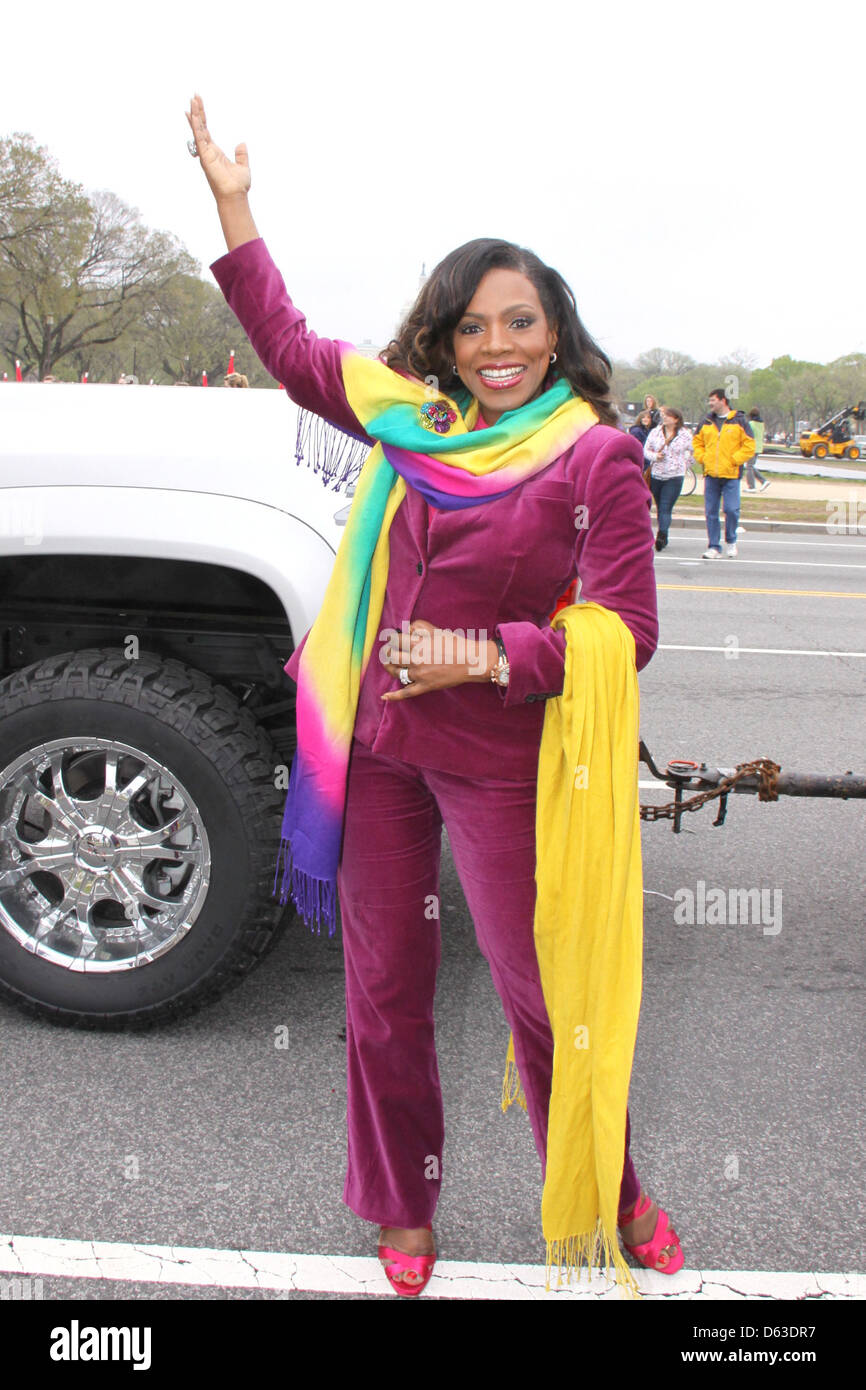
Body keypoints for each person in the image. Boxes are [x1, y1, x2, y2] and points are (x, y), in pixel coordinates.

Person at [187, 93, 682, 1297]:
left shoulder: (593, 456)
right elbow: (297, 351)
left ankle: (606, 1192)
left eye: (520, 322)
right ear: (446, 339)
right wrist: (236, 207)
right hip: (376, 750)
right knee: (384, 991)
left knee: (541, 997)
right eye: (473, 326)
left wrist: (486, 652)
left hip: (502, 757)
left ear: (553, 332)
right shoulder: (419, 422)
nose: (496, 344)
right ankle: (400, 1203)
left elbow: (625, 628)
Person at [692, 387, 755, 558]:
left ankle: (731, 540)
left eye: (713, 400)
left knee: (731, 509)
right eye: (710, 400)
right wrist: (702, 457)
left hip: (731, 475)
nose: (710, 404)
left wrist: (734, 459)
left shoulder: (739, 420)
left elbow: (749, 446)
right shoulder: (705, 421)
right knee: (711, 511)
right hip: (711, 474)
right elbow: (697, 442)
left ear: (723, 400)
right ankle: (714, 546)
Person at [643, 406, 693, 550]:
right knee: (660, 506)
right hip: (657, 475)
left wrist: (685, 464)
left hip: (674, 476)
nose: (664, 418)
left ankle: (662, 535)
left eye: (668, 416)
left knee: (666, 506)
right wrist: (654, 456)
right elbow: (645, 449)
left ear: (676, 419)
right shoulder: (656, 432)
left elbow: (694, 450)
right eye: (663, 415)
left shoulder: (685, 435)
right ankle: (663, 532)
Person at [744, 407, 770, 492]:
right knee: (750, 466)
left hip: (752, 447)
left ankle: (752, 486)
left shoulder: (751, 424)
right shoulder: (761, 424)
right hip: (758, 447)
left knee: (749, 467)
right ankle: (763, 481)